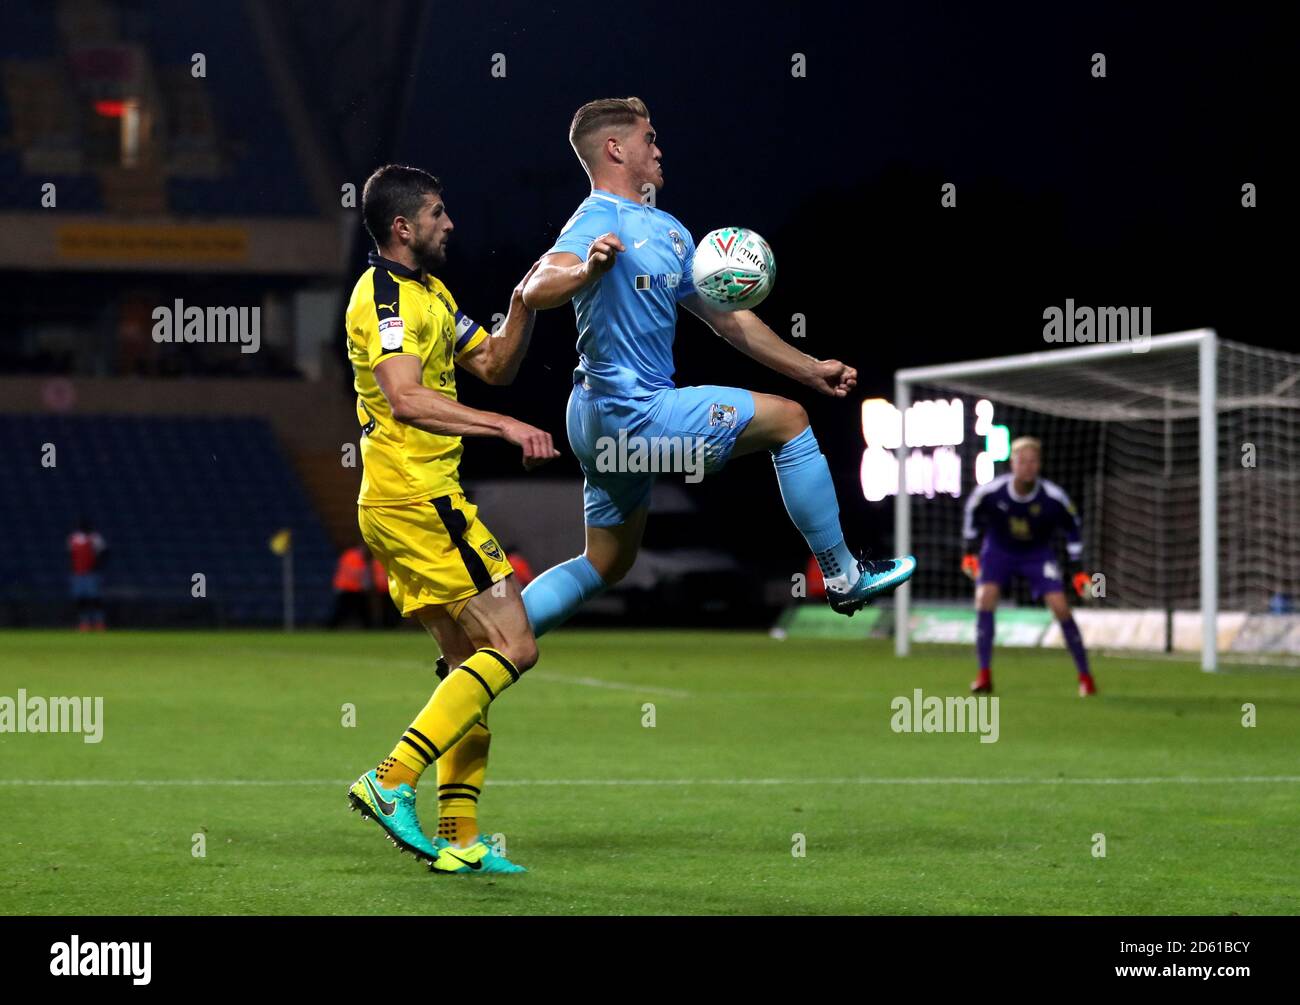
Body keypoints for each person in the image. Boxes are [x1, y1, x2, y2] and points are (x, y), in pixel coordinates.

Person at [517, 96, 915, 639]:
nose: (659, 148)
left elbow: (731, 322)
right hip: (631, 413)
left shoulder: (671, 231)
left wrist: (808, 367)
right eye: (649, 137)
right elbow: (536, 288)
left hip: (596, 420)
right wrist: (586, 269)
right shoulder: (595, 219)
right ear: (615, 148)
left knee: (605, 563)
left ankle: (494, 642)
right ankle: (843, 574)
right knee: (790, 423)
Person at [344, 164, 559, 874]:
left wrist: (524, 299)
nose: (450, 223)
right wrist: (502, 426)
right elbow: (404, 397)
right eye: (438, 213)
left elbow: (494, 361)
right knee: (517, 645)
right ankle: (391, 776)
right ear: (402, 227)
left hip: (412, 497)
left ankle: (459, 839)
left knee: (468, 664)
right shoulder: (382, 298)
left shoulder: (430, 291)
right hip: (417, 497)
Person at [961, 436, 1097, 696]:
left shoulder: (1053, 497)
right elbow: (972, 511)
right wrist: (968, 551)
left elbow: (1073, 528)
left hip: (1037, 554)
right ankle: (984, 675)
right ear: (1012, 463)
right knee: (984, 598)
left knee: (1060, 607)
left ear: (1039, 465)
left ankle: (1085, 677)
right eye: (1022, 461)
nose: (1027, 466)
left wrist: (1079, 569)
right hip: (998, 551)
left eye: (1033, 461)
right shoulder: (991, 492)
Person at [68, 517, 107, 631]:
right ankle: (84, 623)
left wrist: (97, 565)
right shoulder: (74, 538)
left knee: (95, 599)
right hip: (78, 573)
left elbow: (104, 553)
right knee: (81, 599)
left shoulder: (95, 538)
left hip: (91, 573)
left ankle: (99, 622)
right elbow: (71, 555)